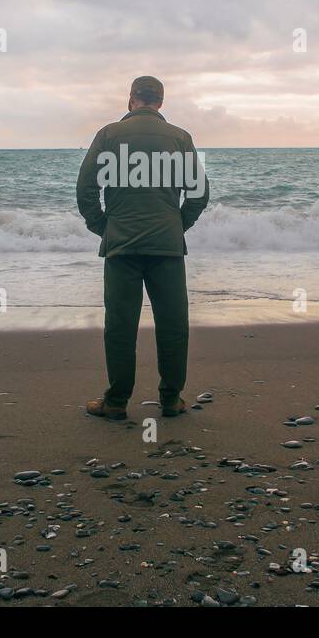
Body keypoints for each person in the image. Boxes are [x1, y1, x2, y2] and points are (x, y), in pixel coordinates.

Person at [76, 76, 209, 420]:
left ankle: (117, 401)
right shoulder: (180, 138)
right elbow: (199, 193)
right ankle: (171, 400)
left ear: (131, 99)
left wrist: (102, 226)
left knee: (120, 326)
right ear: (160, 102)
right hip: (166, 247)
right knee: (173, 324)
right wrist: (178, 224)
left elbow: (86, 188)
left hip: (122, 247)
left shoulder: (108, 135)